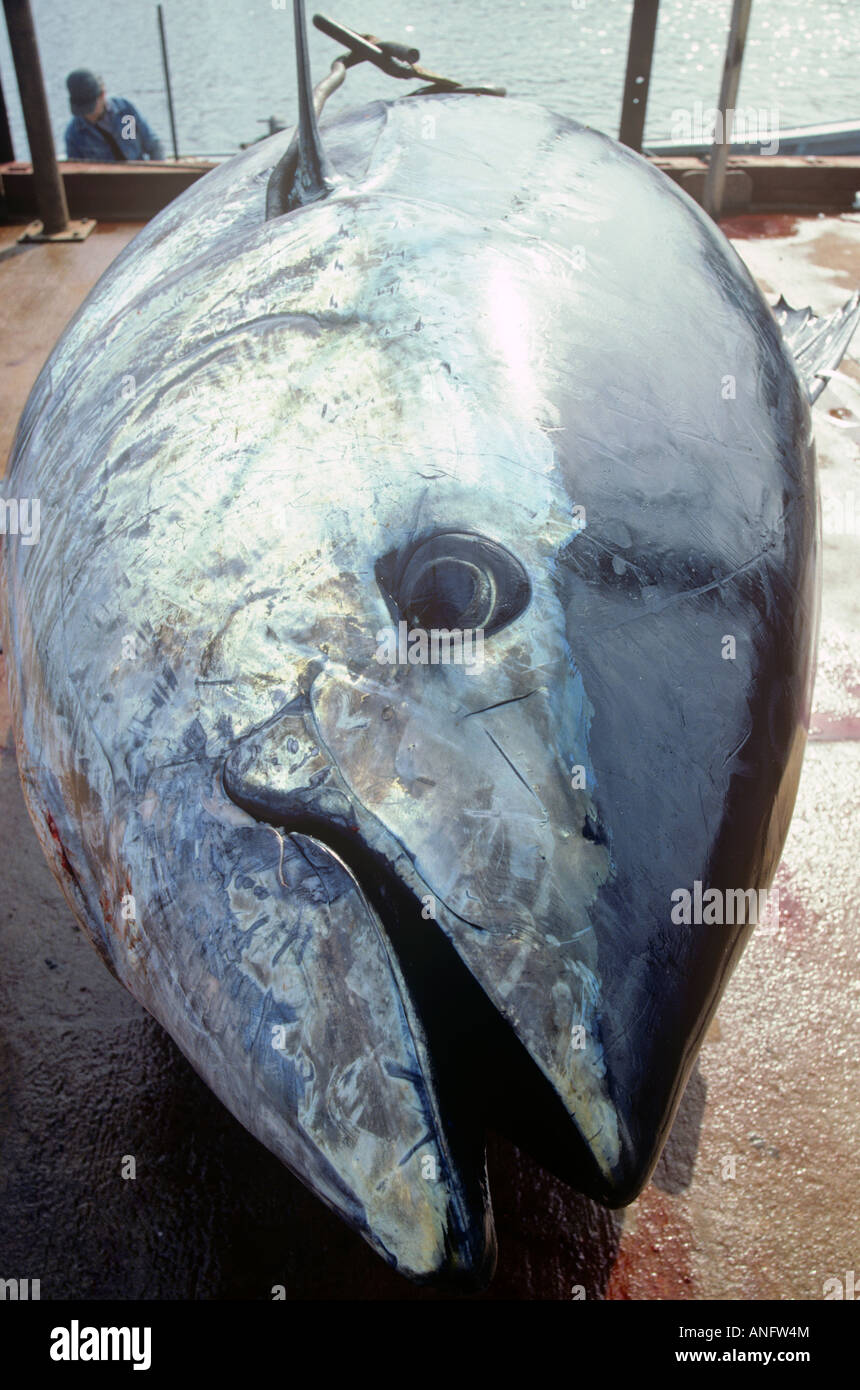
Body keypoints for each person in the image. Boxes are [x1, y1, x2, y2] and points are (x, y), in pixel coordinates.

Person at [64, 70, 164, 162]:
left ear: (102, 95)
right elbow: (77, 172)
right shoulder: (74, 134)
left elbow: (154, 146)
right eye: (81, 110)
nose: (87, 115)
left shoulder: (126, 112)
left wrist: (159, 176)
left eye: (90, 109)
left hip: (140, 175)